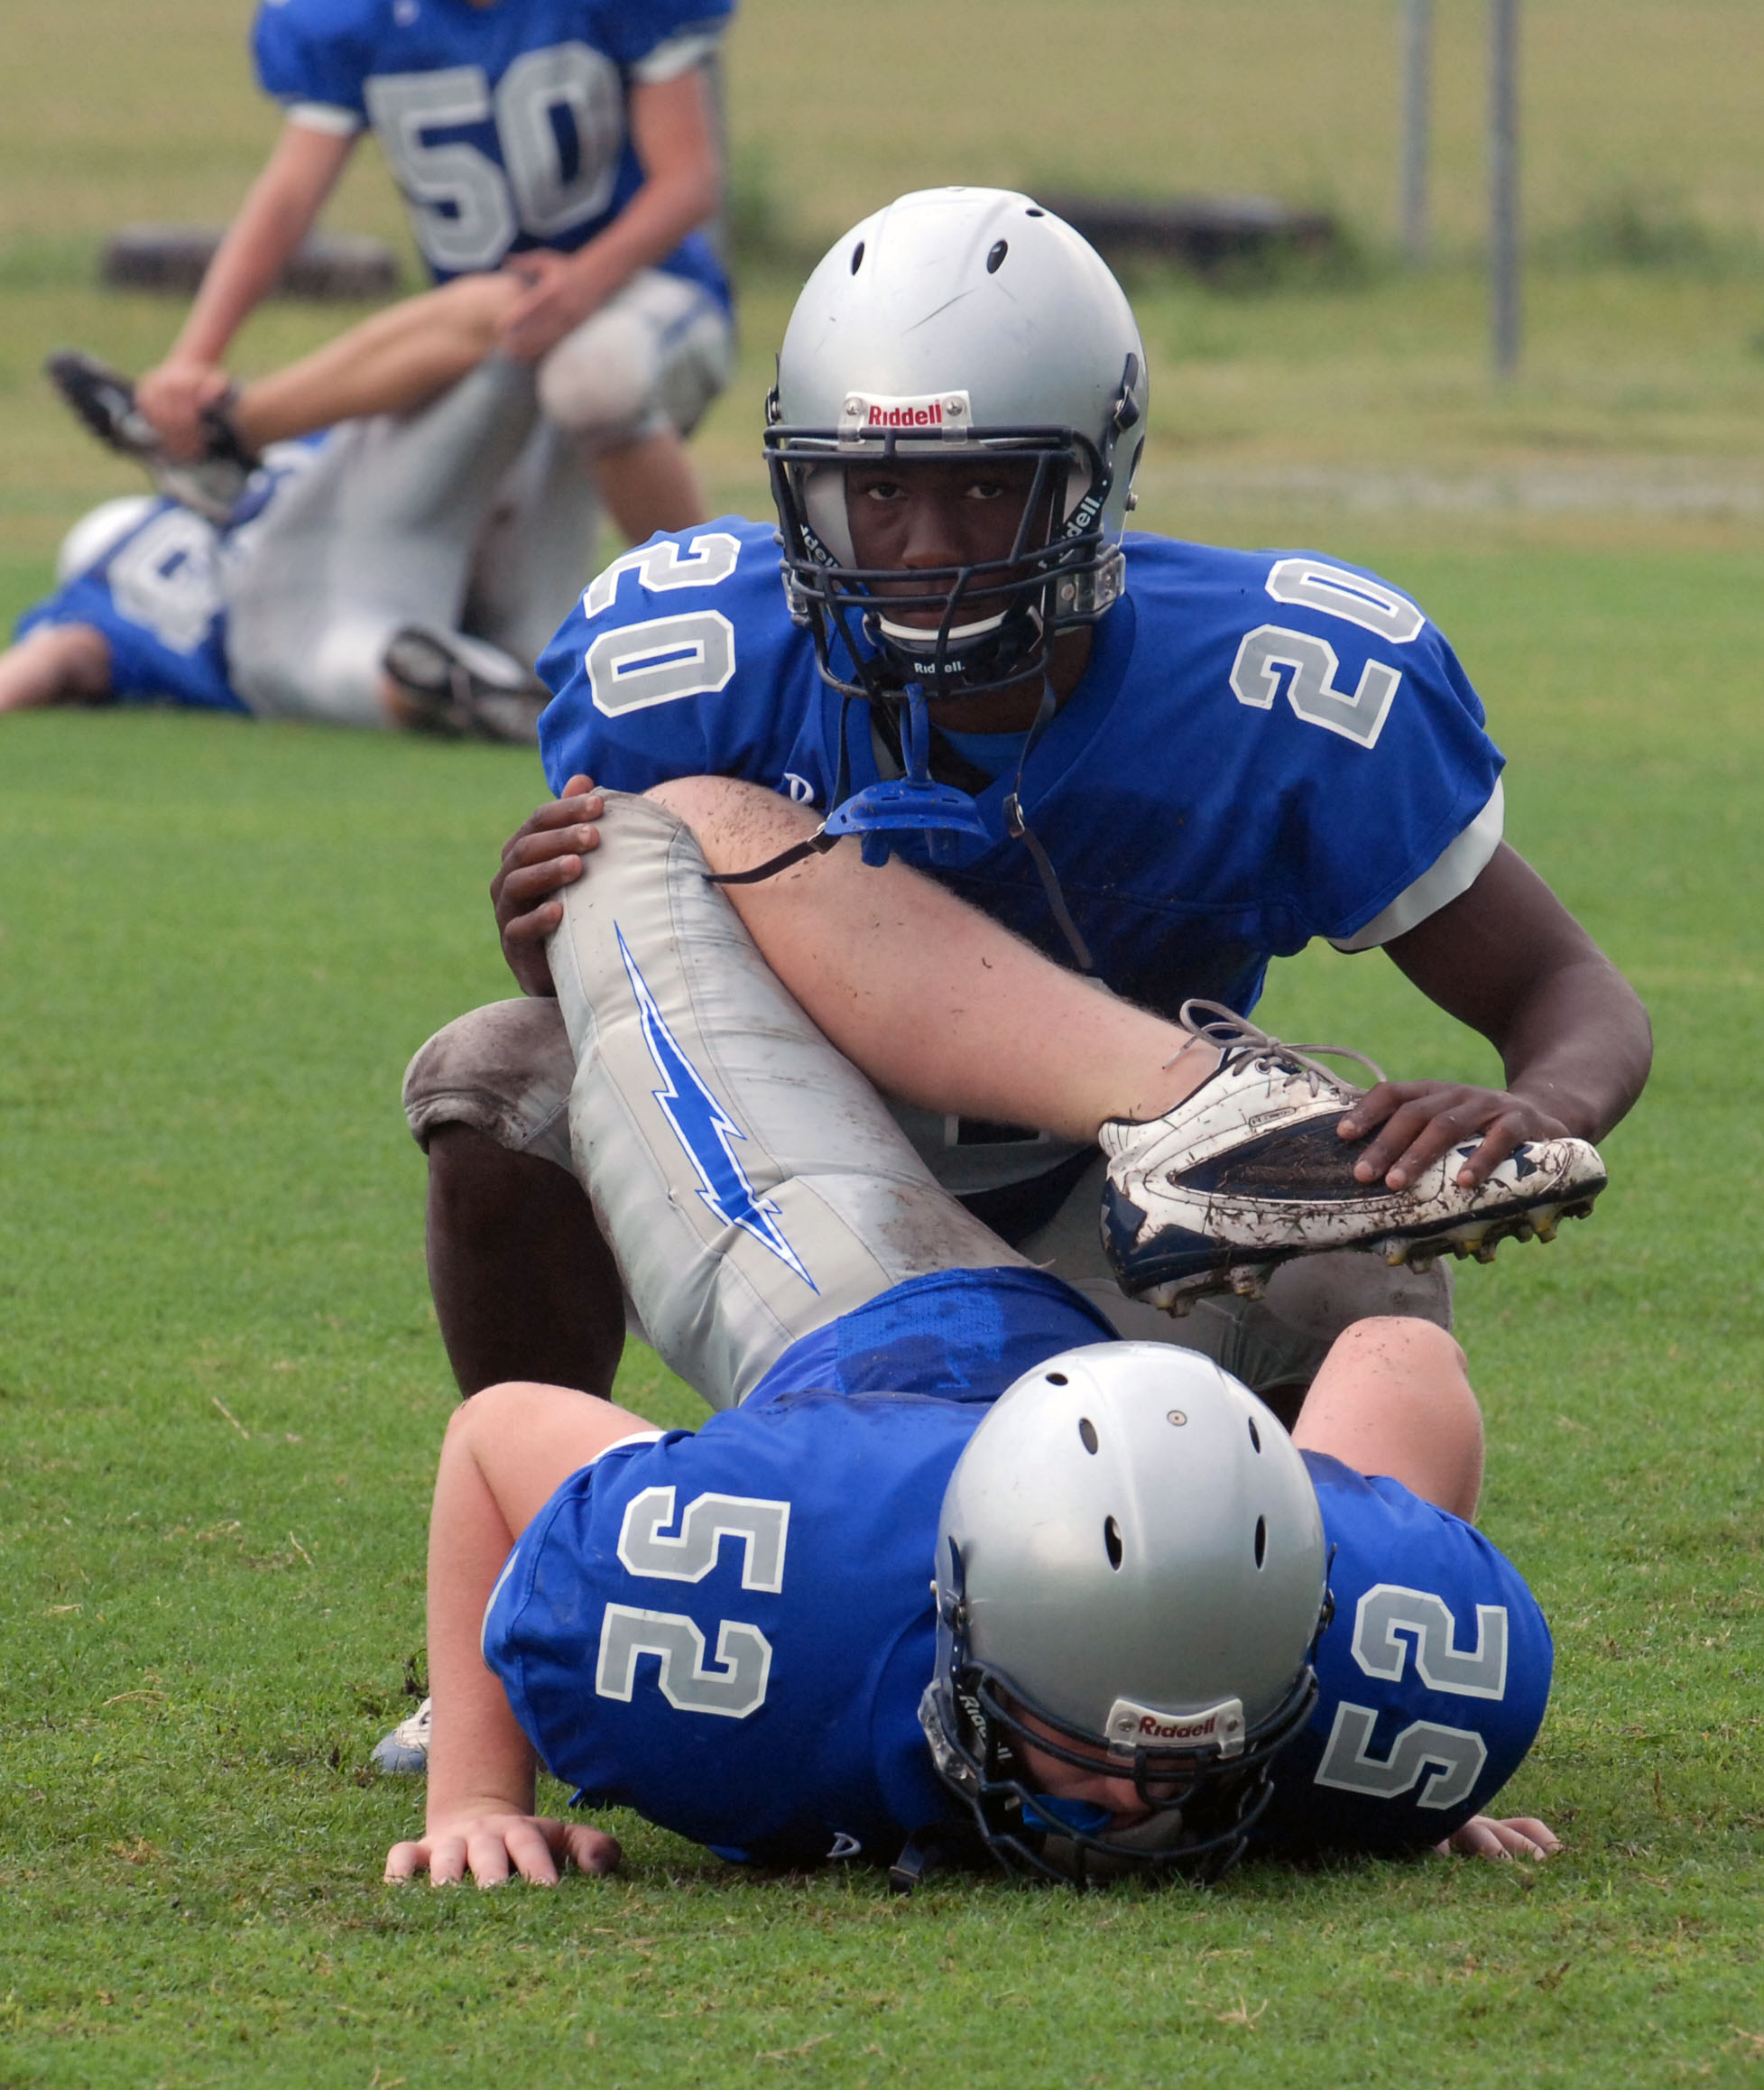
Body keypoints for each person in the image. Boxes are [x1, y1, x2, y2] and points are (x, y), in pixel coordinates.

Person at [402, 186, 1651, 1412]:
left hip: (1128, 1194)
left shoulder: (1261, 688)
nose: (925, 546)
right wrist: (558, 938)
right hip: (788, 1148)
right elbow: (666, 1029)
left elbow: (1563, 989)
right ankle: (560, 1517)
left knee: (1364, 1265)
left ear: (1097, 473)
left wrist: (1539, 1110)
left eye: (987, 486)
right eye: (876, 490)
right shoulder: (694, 661)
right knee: (493, 1074)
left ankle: (1305, 1589)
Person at [383, 788, 1560, 1887]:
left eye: (1195, 1755)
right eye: (1084, 1744)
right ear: (958, 1628)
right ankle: (696, 817)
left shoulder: (1363, 1649)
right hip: (874, 1321)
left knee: (1374, 1273)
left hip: (1139, 1389)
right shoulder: (786, 1589)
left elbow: (1400, 1360)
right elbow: (498, 1436)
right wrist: (475, 1798)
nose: (1133, 1802)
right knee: (627, 852)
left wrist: (1397, 1755)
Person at [49, 0, 735, 626]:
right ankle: (222, 434)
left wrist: (585, 281)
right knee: (519, 632)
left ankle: (720, 617)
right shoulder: (354, 20)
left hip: (649, 297)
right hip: (495, 341)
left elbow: (688, 182)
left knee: (595, 375)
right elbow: (287, 200)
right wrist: (192, 358)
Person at [5, 358, 566, 735]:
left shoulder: (100, 599)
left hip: (284, 631)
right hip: (420, 503)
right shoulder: (262, 470)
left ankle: (439, 684)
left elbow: (60, 656)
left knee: (351, 662)